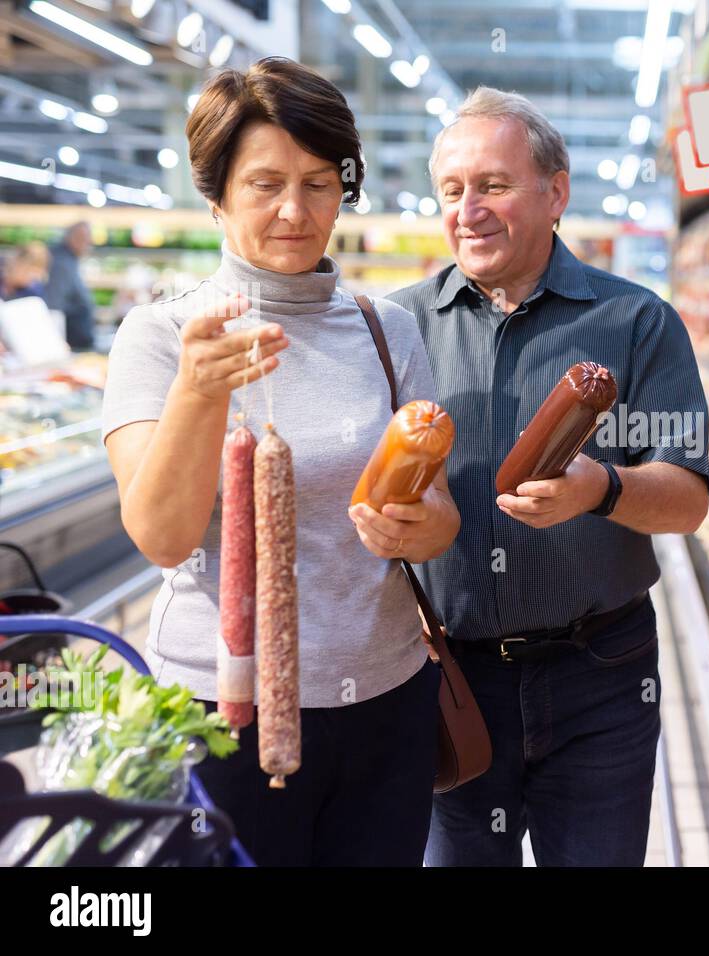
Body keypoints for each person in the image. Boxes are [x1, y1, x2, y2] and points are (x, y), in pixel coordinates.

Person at [100, 57, 460, 866]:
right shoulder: (162, 338)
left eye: (319, 182)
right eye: (265, 184)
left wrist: (419, 525)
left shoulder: (386, 329)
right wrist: (199, 390)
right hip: (217, 709)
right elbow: (161, 536)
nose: (295, 210)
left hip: (385, 700)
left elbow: (441, 518)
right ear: (217, 193)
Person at [391, 87, 709, 867]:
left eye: (493, 185)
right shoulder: (398, 328)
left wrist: (600, 489)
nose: (469, 209)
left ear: (555, 190)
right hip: (449, 681)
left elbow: (688, 499)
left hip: (600, 676)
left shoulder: (638, 323)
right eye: (453, 190)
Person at [43, 222, 96, 349]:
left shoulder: (69, 260)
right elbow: (54, 305)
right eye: (83, 238)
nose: (88, 243)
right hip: (70, 340)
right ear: (71, 238)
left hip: (75, 338)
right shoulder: (61, 262)